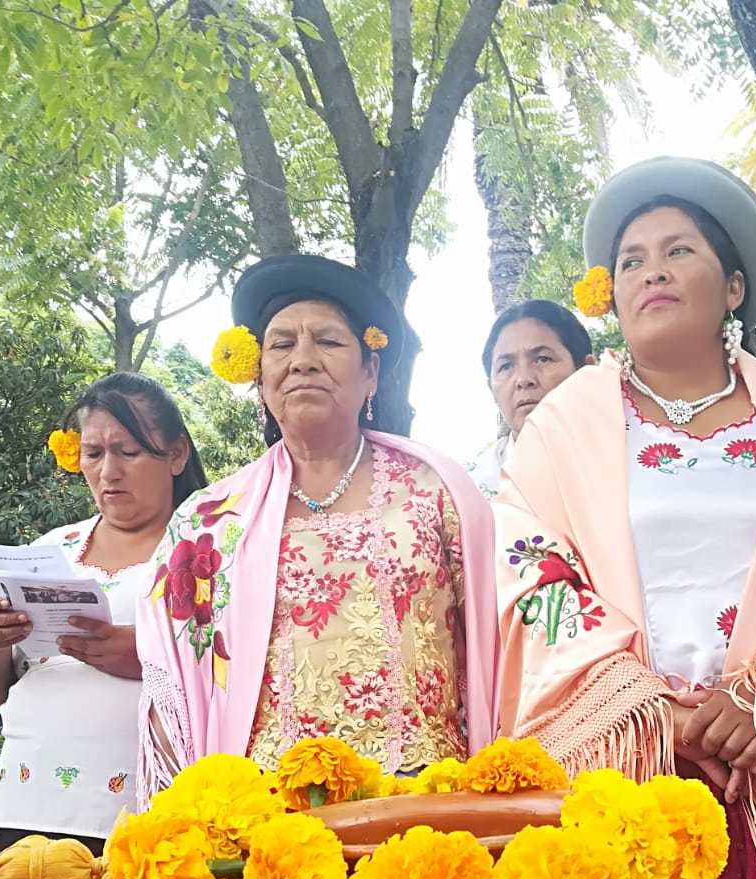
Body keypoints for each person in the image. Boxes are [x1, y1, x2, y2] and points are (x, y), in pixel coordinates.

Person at [495, 158, 756, 879]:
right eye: (632, 260)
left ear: (734, 287)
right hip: (626, 760)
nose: (652, 272)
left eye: (679, 251)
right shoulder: (567, 420)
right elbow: (528, 570)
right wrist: (649, 710)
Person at [138, 254, 497, 799]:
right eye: (282, 345)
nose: (303, 360)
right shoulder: (207, 522)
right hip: (267, 813)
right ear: (259, 377)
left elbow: (501, 642)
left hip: (424, 804)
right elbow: (173, 681)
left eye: (327, 342)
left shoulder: (437, 491)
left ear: (370, 371)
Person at [0, 373, 206, 853]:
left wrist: (150, 655)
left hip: (142, 822)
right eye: (94, 453)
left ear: (176, 454)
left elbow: (249, 673)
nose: (109, 471)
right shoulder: (50, 550)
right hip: (24, 811)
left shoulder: (207, 550)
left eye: (128, 451)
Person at [467, 300, 593, 498]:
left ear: (586, 372)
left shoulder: (629, 459)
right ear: (491, 388)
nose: (524, 379)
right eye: (506, 367)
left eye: (542, 359)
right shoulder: (471, 491)